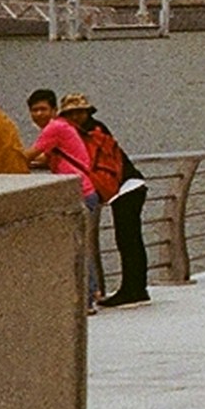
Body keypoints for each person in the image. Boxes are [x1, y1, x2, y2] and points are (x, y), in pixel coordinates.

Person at [26, 90, 103, 311]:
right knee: (80, 245)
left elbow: (29, 155)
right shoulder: (62, 129)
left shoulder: (55, 127)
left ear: (53, 111)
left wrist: (3, 157)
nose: (38, 114)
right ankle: (93, 291)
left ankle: (87, 299)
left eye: (43, 109)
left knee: (77, 246)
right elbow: (43, 156)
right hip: (84, 190)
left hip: (80, 192)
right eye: (34, 110)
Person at [75, 98, 153, 308]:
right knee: (132, 241)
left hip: (126, 188)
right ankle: (137, 288)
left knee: (128, 241)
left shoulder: (92, 132)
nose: (76, 117)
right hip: (132, 185)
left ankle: (131, 290)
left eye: (79, 112)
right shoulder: (97, 128)